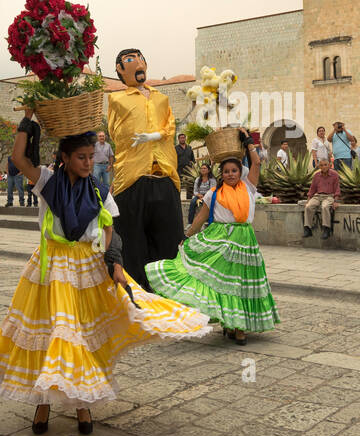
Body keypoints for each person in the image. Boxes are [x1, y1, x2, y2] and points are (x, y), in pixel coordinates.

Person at [0, 130, 212, 435]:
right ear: (65, 158)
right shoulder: (47, 181)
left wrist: (117, 264)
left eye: (90, 157)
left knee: (81, 334)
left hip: (87, 268)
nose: (87, 162)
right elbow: (17, 158)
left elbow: (110, 232)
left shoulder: (99, 190)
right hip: (51, 268)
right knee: (51, 333)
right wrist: (26, 121)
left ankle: (83, 405)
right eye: (80, 157)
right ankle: (42, 402)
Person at [147, 131, 280, 345]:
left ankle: (238, 326)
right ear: (221, 174)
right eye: (226, 171)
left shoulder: (248, 187)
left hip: (245, 242)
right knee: (226, 286)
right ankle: (233, 325)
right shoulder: (213, 193)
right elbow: (200, 218)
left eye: (234, 170)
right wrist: (186, 235)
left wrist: (248, 143)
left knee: (242, 284)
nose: (230, 174)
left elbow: (256, 164)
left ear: (240, 172)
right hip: (221, 242)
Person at [107, 48, 184, 292]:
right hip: (132, 180)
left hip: (164, 175)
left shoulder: (162, 98)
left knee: (169, 241)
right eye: (130, 60)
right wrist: (135, 136)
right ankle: (136, 295)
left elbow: (170, 126)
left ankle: (169, 295)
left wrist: (155, 135)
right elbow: (115, 132)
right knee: (132, 243)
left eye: (140, 58)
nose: (137, 63)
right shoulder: (116, 99)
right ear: (120, 69)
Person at [303, 156, 340, 238]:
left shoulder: (334, 175)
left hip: (329, 196)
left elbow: (337, 189)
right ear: (319, 167)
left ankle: (326, 229)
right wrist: (308, 200)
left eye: (325, 165)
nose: (324, 167)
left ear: (329, 165)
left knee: (325, 206)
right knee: (308, 207)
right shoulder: (316, 175)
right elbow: (312, 189)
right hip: (318, 196)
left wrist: (336, 201)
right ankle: (307, 229)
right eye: (322, 165)